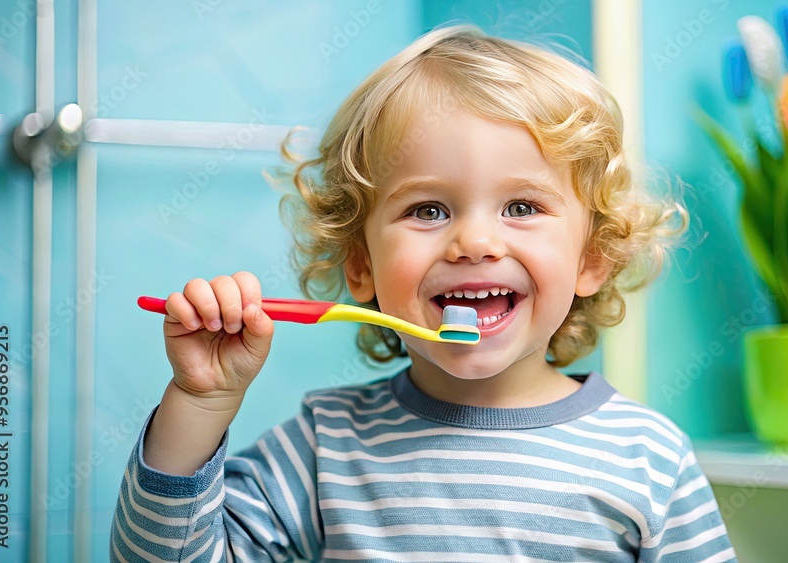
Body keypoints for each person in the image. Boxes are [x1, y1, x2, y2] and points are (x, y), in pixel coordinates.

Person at [110, 25, 737, 562]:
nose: (474, 240)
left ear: (591, 259)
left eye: (521, 205)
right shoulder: (324, 447)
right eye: (428, 209)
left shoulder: (647, 457)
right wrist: (200, 401)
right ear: (362, 266)